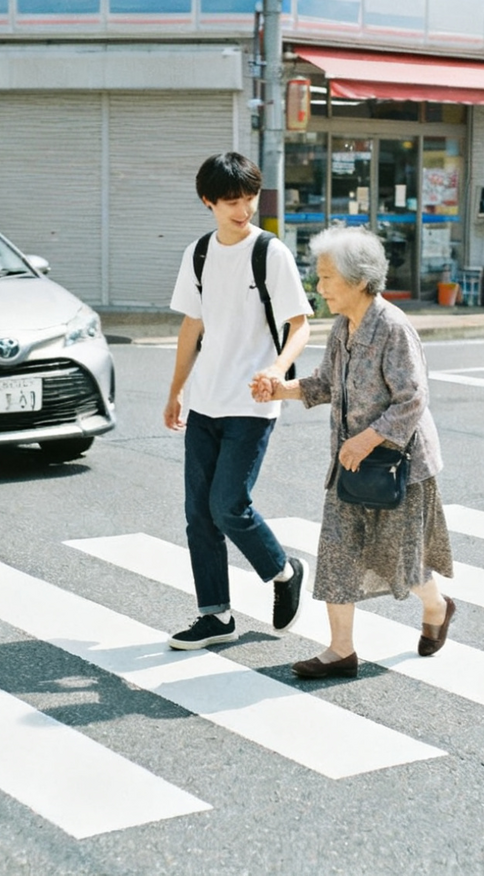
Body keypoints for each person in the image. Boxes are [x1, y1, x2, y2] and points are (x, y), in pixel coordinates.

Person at [252, 225, 455, 678]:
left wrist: (367, 439)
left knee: (400, 560)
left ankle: (438, 607)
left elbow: (413, 398)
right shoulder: (343, 326)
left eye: (327, 279)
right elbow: (324, 383)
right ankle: (340, 650)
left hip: (397, 467)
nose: (319, 288)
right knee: (338, 553)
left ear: (360, 280)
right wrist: (278, 390)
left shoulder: (393, 328)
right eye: (319, 278)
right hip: (349, 465)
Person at [164, 151, 313, 650]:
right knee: (198, 513)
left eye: (250, 198)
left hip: (253, 403)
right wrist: (175, 391)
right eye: (231, 200)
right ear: (208, 201)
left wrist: (276, 367)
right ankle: (215, 615)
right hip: (205, 400)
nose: (243, 208)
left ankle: (284, 570)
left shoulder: (271, 253)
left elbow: (300, 324)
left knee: (228, 504)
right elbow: (191, 325)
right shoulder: (199, 253)